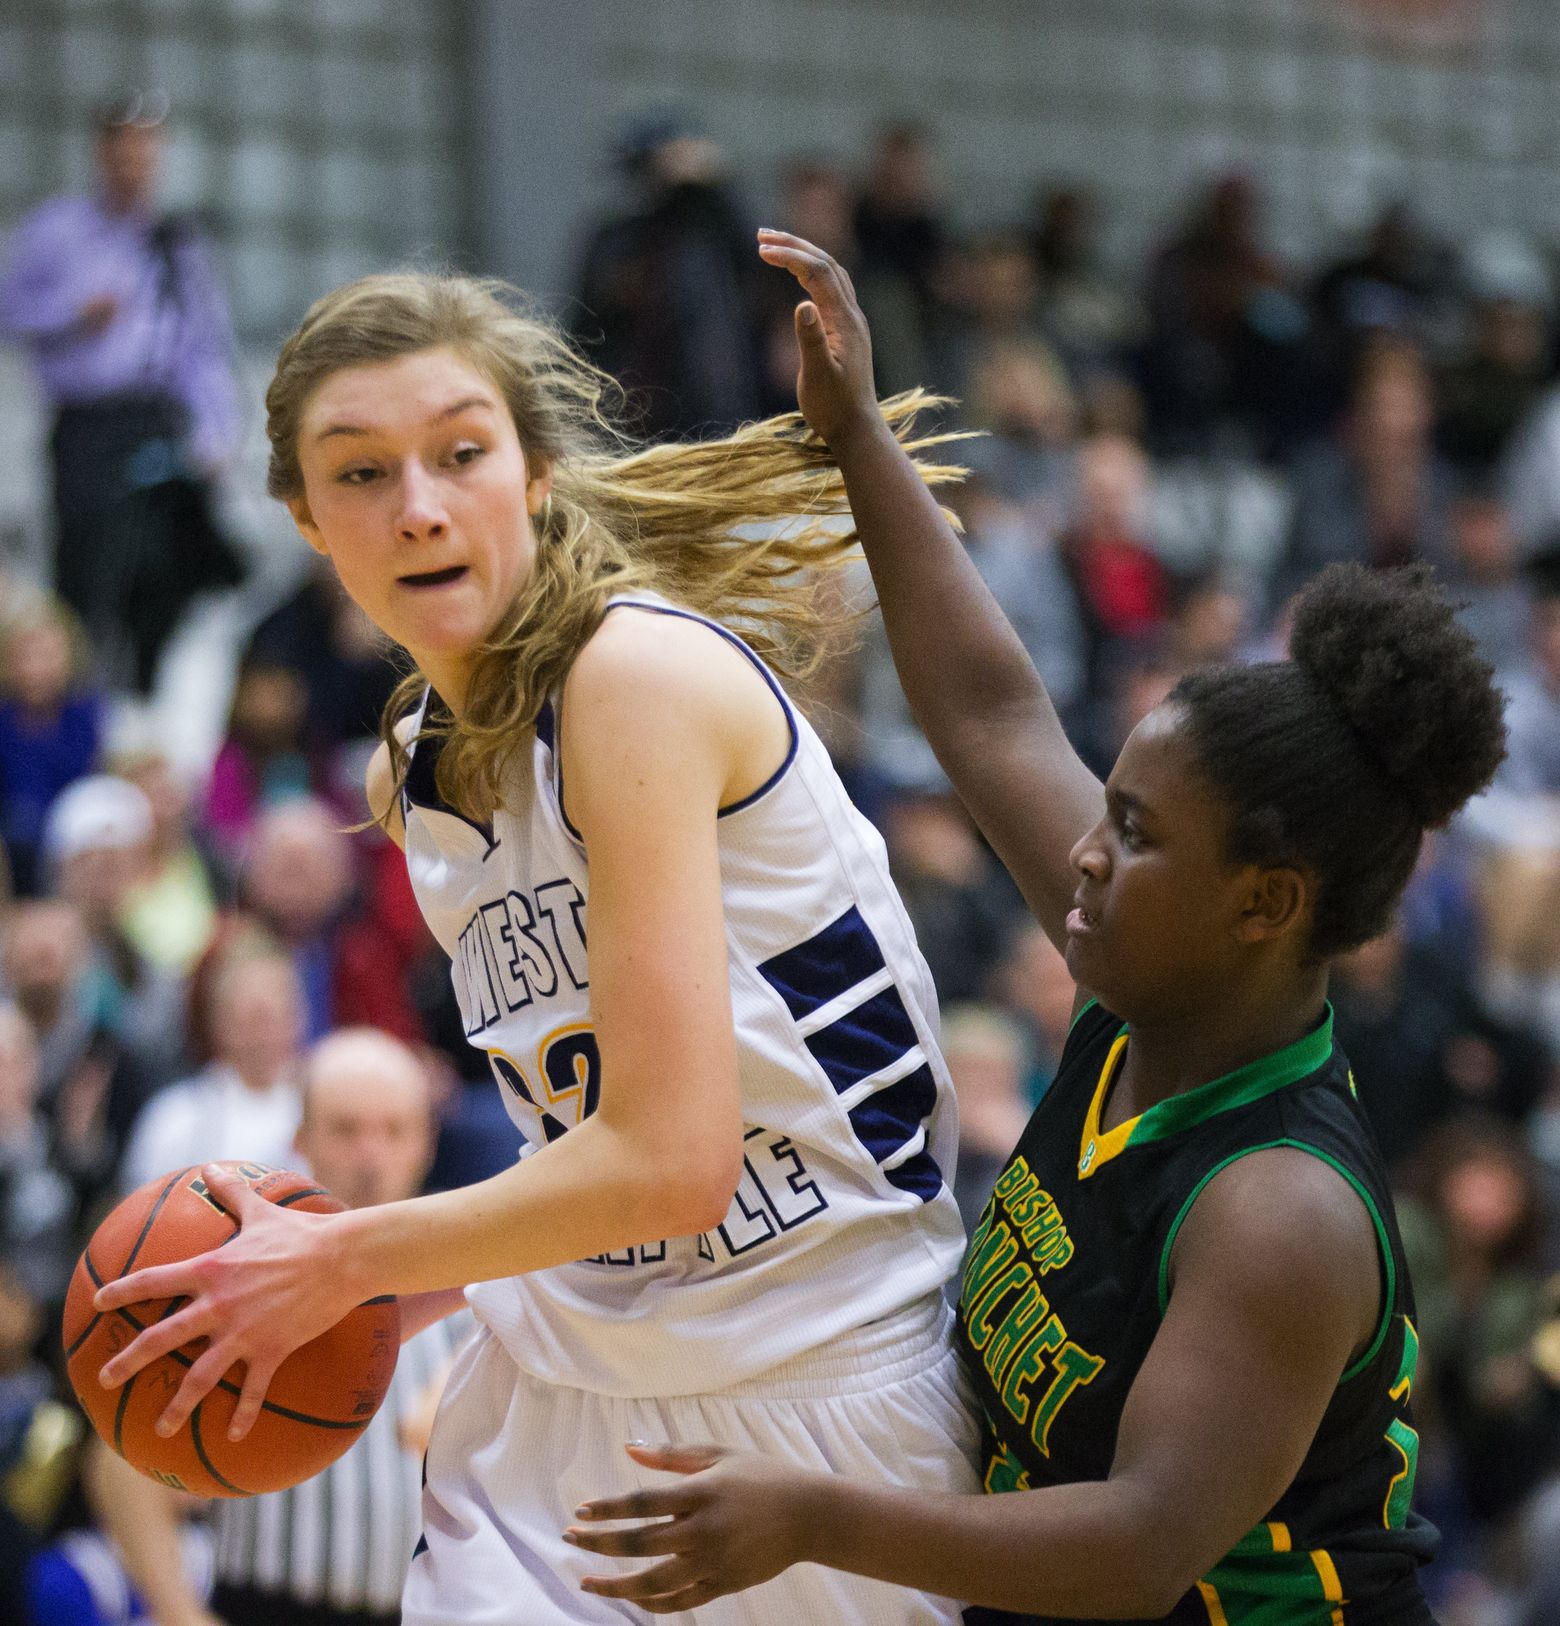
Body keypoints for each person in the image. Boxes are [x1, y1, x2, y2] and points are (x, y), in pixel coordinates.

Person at [556, 229, 1509, 1623]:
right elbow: (995, 712)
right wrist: (859, 434)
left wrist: (813, 1513)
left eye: (1135, 832)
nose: (1084, 845)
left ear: (1265, 902)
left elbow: (1133, 1546)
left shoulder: (1277, 1207)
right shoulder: (1149, 986)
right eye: (1109, 804)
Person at [92, 270, 982, 1625]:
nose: (421, 505)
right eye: (362, 473)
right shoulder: (421, 769)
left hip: (817, 1395)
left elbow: (677, 1164)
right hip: (573, 1373)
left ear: (538, 470)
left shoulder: (635, 681)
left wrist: (342, 1260)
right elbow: (586, 1152)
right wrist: (385, 1297)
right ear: (305, 522)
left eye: (461, 453)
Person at [89, 1028, 471, 1626]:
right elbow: (124, 1462)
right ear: (300, 1138)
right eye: (346, 1129)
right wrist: (180, 1612)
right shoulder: (242, 1283)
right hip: (259, 1606)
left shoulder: (472, 1292)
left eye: (394, 1130)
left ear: (427, 1143)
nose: (371, 1156)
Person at [0, 91, 242, 691]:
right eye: (122, 147)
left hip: (157, 419)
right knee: (87, 568)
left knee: (163, 564)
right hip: (88, 423)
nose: (134, 161)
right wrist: (71, 315)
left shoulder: (174, 242)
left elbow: (203, 347)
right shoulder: (60, 230)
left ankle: (143, 693)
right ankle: (73, 696)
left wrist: (217, 432)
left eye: (145, 148)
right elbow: (9, 310)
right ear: (102, 151)